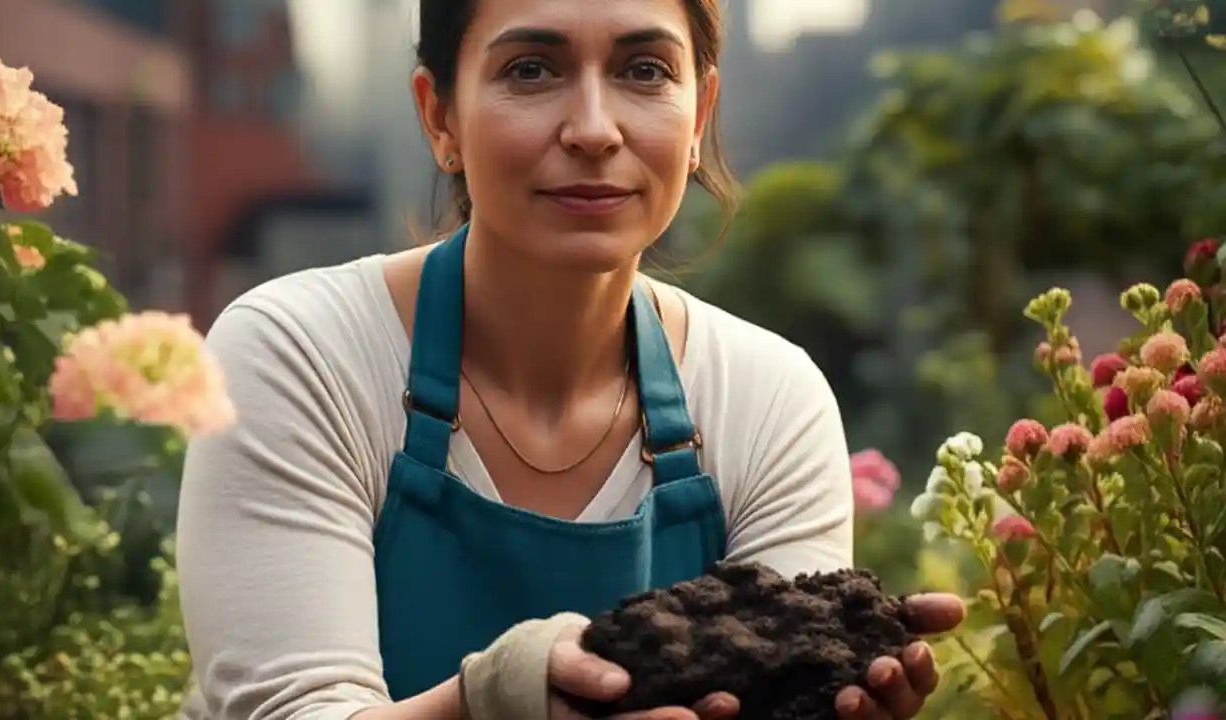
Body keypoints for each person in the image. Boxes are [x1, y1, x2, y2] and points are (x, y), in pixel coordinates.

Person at [174, 0, 966, 718]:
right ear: (438, 116)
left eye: (644, 70)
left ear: (699, 119)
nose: (593, 127)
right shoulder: (301, 352)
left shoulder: (767, 397)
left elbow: (780, 675)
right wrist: (500, 696)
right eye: (531, 69)